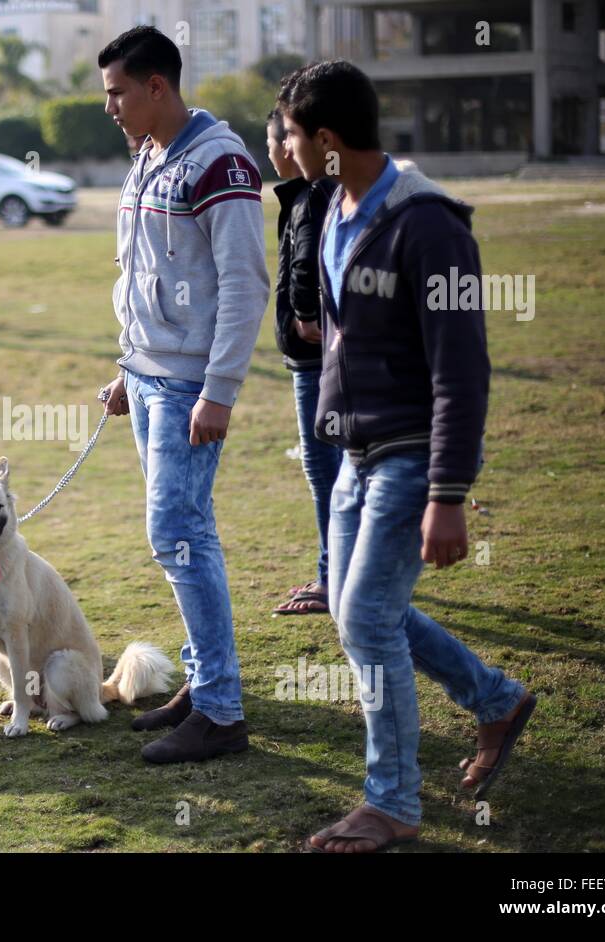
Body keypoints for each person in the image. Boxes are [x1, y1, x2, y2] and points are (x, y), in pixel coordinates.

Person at [275, 60, 536, 853]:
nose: (281, 151)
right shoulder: (334, 209)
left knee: (361, 618)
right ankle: (495, 699)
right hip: (354, 451)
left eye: (288, 135)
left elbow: (463, 367)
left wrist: (448, 493)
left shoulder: (430, 225)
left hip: (412, 453)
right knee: (368, 613)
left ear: (325, 138)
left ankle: (390, 802)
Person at [97, 26, 270, 764]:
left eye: (117, 93)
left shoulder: (220, 160)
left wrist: (220, 390)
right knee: (188, 533)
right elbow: (139, 270)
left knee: (176, 533)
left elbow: (244, 284)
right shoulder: (147, 156)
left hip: (190, 385)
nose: (110, 107)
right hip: (149, 376)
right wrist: (128, 368)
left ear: (156, 87)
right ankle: (204, 689)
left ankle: (222, 714)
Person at [266, 101, 343, 616]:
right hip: (317, 359)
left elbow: (306, 258)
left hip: (315, 360)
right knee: (333, 467)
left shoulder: (310, 198)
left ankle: (333, 578)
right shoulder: (309, 194)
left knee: (324, 468)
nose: (274, 152)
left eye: (276, 141)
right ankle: (339, 572)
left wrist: (304, 314)